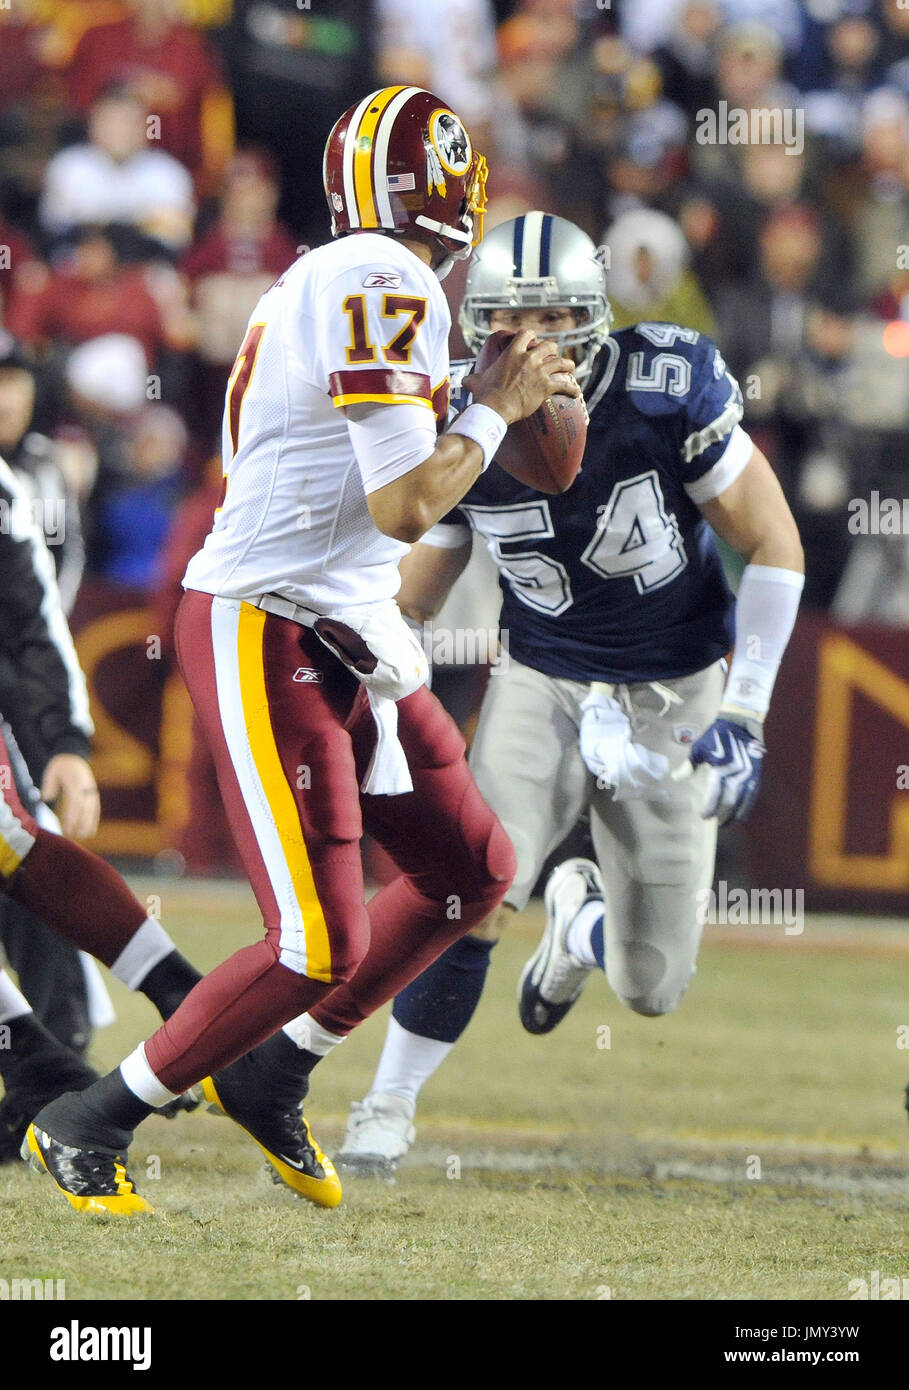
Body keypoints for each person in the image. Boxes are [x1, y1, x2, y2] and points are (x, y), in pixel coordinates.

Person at [24, 87, 577, 1216]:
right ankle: (92, 1116)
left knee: (475, 869)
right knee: (317, 937)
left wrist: (497, 405)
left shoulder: (366, 276)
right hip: (266, 621)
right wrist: (491, 408)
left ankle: (277, 1070)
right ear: (458, 188)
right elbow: (404, 506)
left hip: (349, 629)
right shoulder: (384, 278)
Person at [335, 212, 804, 1174]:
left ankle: (579, 926)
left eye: (557, 313)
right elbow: (412, 595)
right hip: (543, 675)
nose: (538, 339)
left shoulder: (665, 384)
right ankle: (385, 1106)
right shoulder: (458, 416)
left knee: (651, 986)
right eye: (514, 316)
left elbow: (772, 541)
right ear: (477, 326)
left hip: (673, 688)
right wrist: (348, 675)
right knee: (470, 886)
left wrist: (745, 710)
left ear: (598, 313)